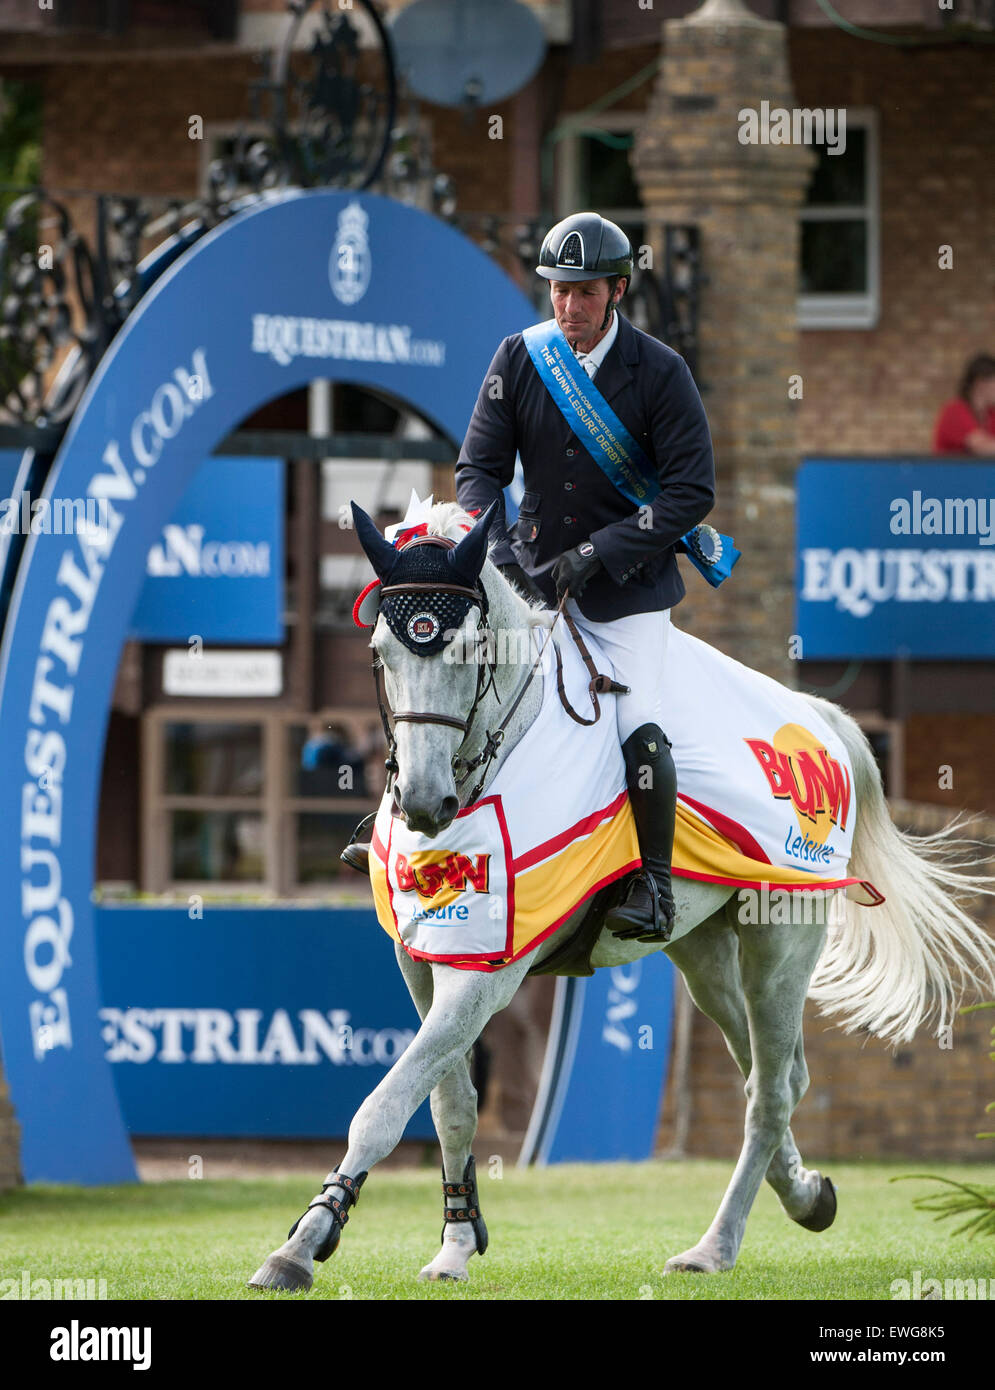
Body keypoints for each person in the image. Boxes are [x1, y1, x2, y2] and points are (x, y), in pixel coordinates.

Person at [453, 211, 716, 941]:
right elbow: (477, 469)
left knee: (637, 721)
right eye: (558, 291)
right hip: (529, 578)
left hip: (626, 593)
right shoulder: (518, 357)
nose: (568, 307)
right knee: (453, 675)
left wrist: (600, 551)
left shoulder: (660, 371)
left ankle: (653, 885)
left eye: (585, 293)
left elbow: (690, 493)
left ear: (618, 290)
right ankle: (416, 829)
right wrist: (500, 553)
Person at [932, 354, 995, 456]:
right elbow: (982, 447)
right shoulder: (955, 411)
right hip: (949, 471)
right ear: (980, 382)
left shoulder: (991, 414)